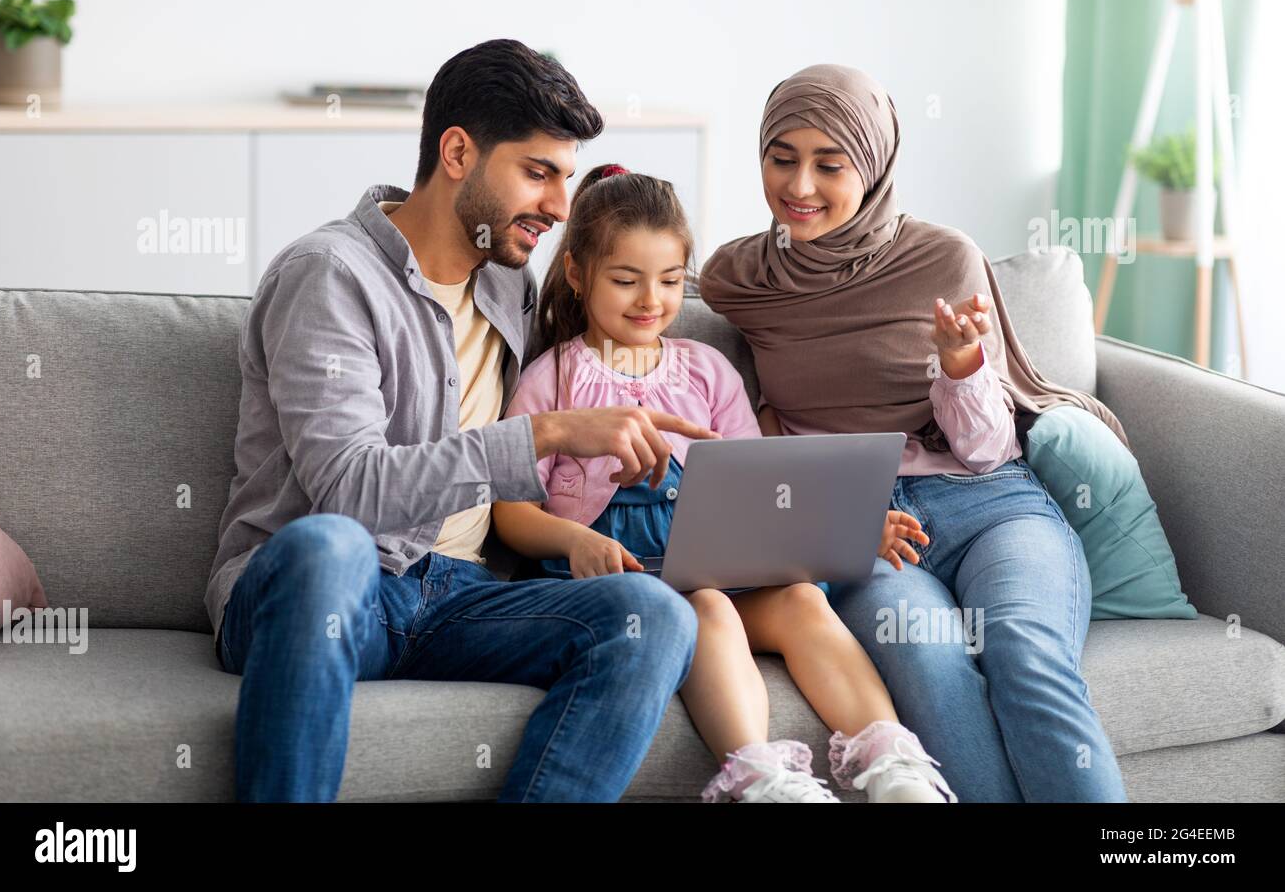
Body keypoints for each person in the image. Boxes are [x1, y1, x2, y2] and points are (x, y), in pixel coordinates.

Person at [207, 39, 720, 802]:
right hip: (323, 588)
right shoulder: (330, 275)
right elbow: (347, 488)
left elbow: (628, 300)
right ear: (457, 152)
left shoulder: (510, 283)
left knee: (654, 616)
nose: (556, 205)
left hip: (456, 595)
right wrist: (547, 435)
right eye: (537, 173)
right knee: (331, 544)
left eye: (565, 178)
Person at [698, 63, 1130, 802]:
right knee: (929, 665)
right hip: (863, 528)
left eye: (829, 165)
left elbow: (989, 448)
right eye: (782, 158)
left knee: (1024, 648)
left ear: (872, 167)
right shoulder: (740, 279)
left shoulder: (942, 257)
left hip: (988, 501)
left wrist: (963, 365)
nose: (800, 186)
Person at [493, 163, 956, 803]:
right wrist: (572, 538)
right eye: (626, 280)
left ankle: (894, 765)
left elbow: (763, 490)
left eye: (670, 281)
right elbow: (507, 511)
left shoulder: (707, 371)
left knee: (801, 599)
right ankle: (764, 780)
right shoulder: (555, 380)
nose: (650, 300)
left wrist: (846, 526)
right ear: (577, 274)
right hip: (632, 592)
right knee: (706, 604)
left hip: (721, 571)